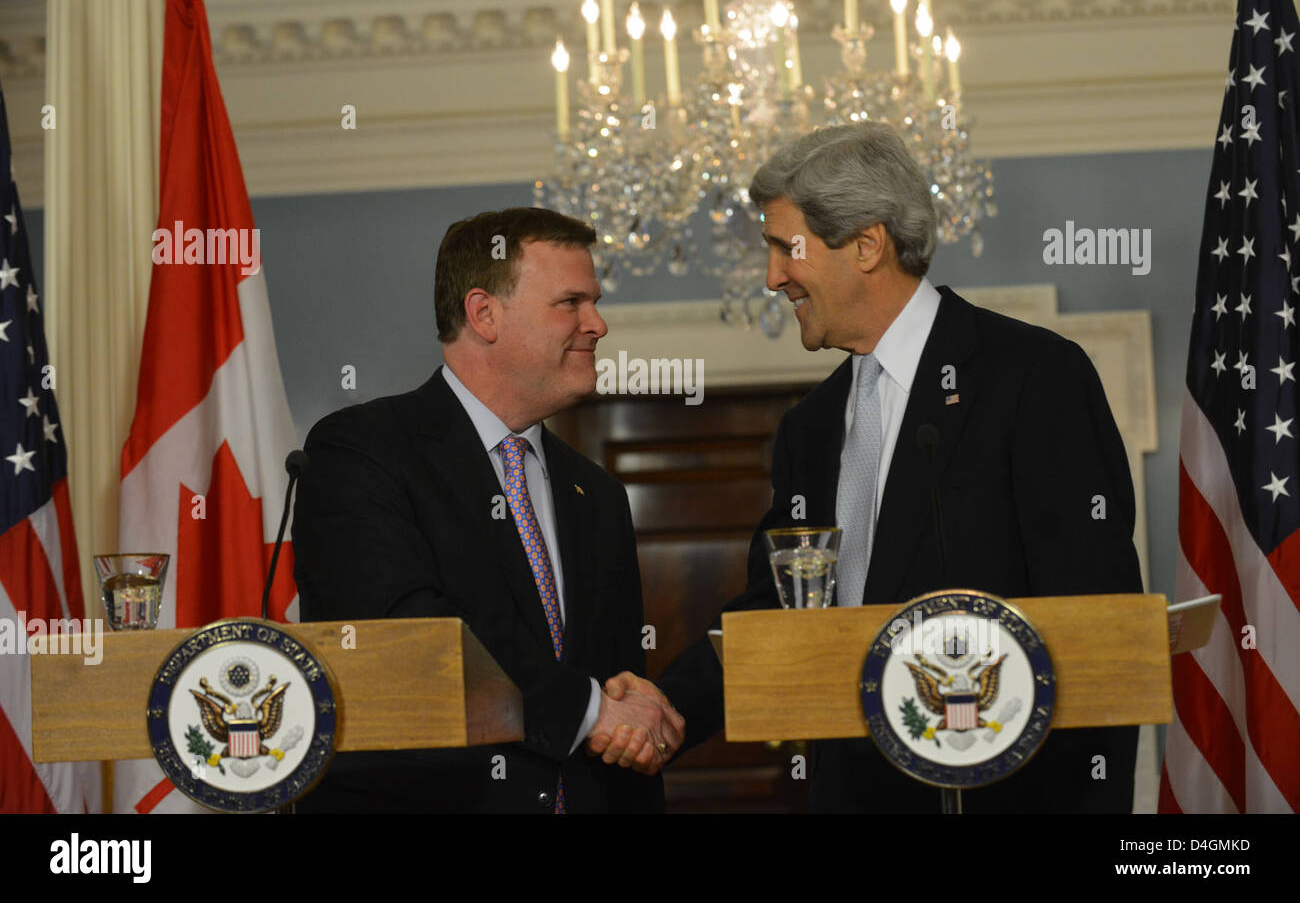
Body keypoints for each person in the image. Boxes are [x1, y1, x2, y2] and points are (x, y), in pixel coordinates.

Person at [594, 123, 1142, 812]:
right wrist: (666, 707)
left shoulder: (1034, 378)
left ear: (866, 244)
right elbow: (777, 611)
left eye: (784, 248)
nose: (771, 278)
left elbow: (1099, 626)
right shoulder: (810, 429)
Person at [291, 206, 683, 813]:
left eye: (594, 302)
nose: (598, 324)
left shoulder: (597, 495)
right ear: (484, 314)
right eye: (571, 303)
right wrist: (592, 711)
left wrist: (636, 719)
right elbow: (414, 638)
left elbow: (614, 690)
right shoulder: (360, 452)